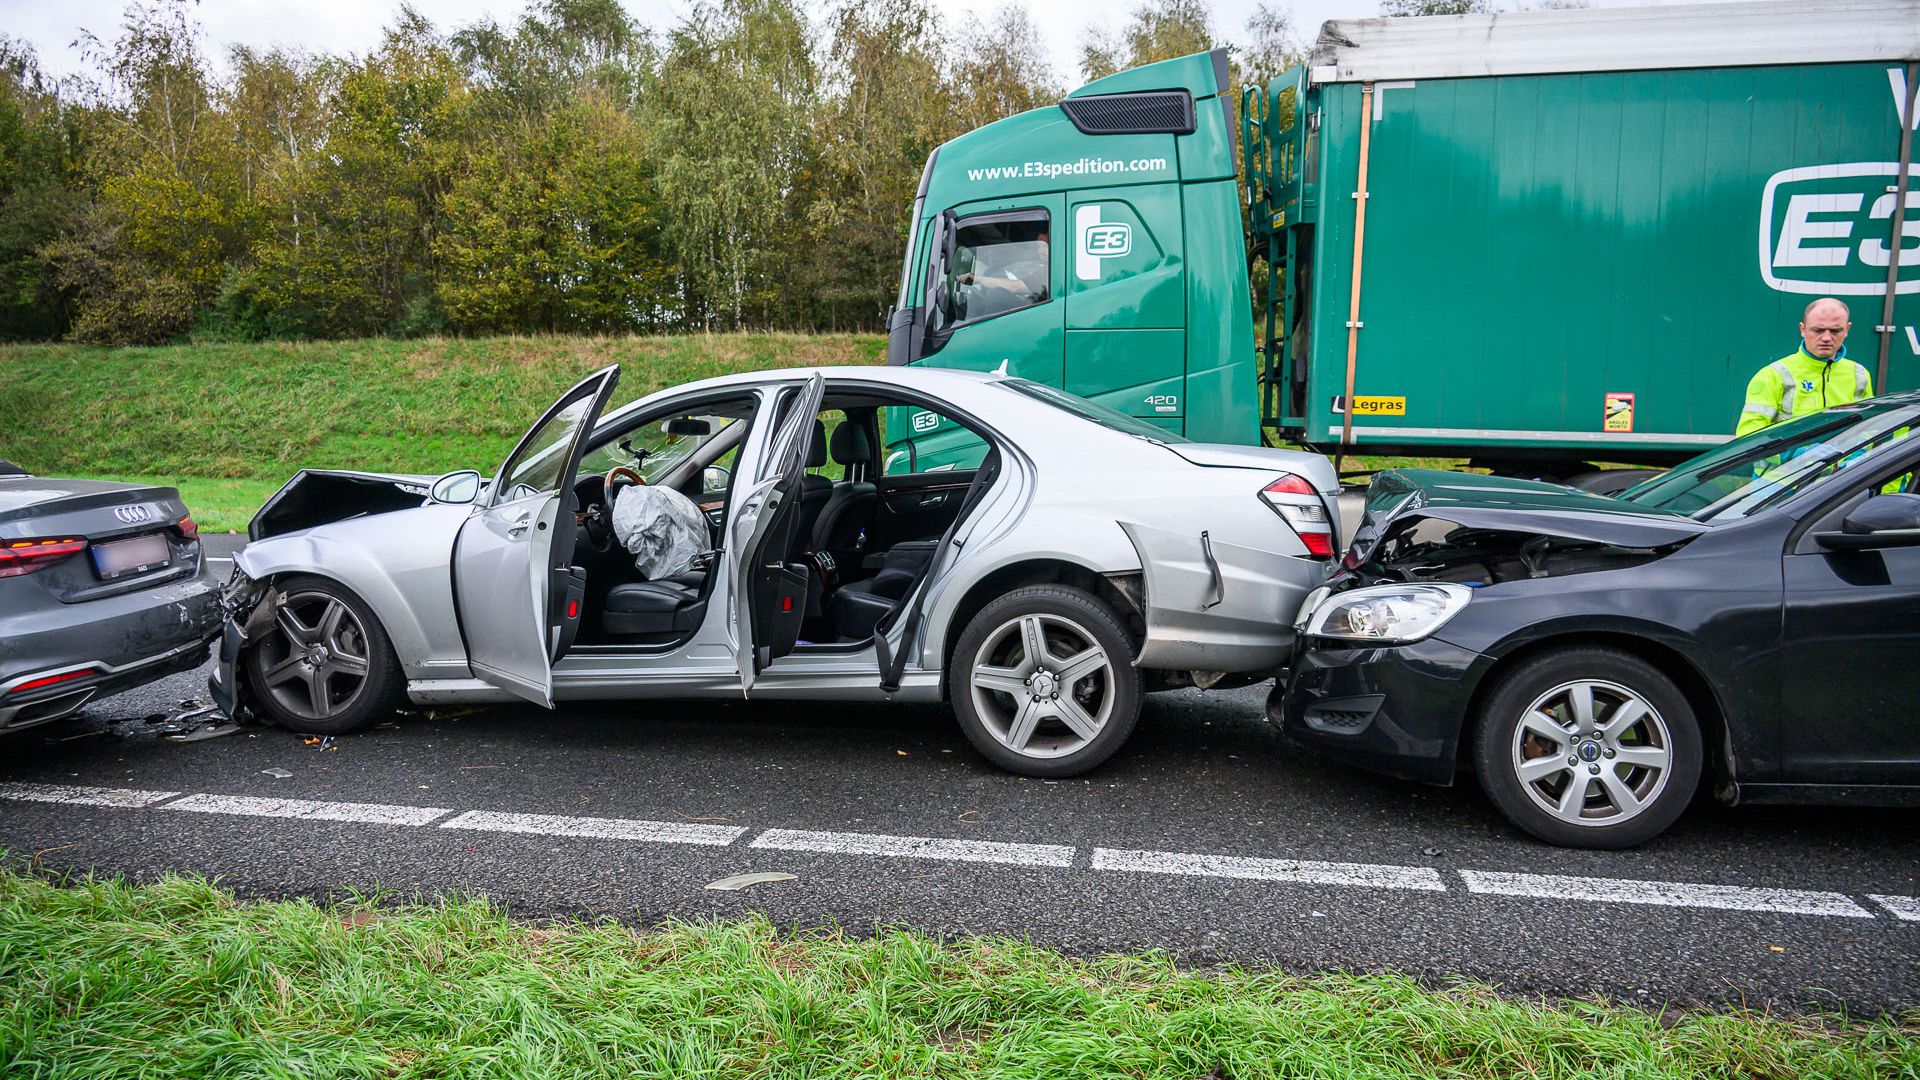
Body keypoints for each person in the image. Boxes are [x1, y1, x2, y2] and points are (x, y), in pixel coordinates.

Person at [1736, 298, 1874, 437]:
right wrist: (1788, 455)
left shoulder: (1859, 374)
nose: (1826, 337)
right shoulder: (1773, 375)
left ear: (1847, 329)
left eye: (1835, 330)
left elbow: (1868, 427)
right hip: (1791, 459)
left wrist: (1859, 452)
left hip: (1847, 458)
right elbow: (1749, 435)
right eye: (1818, 330)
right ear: (1803, 329)